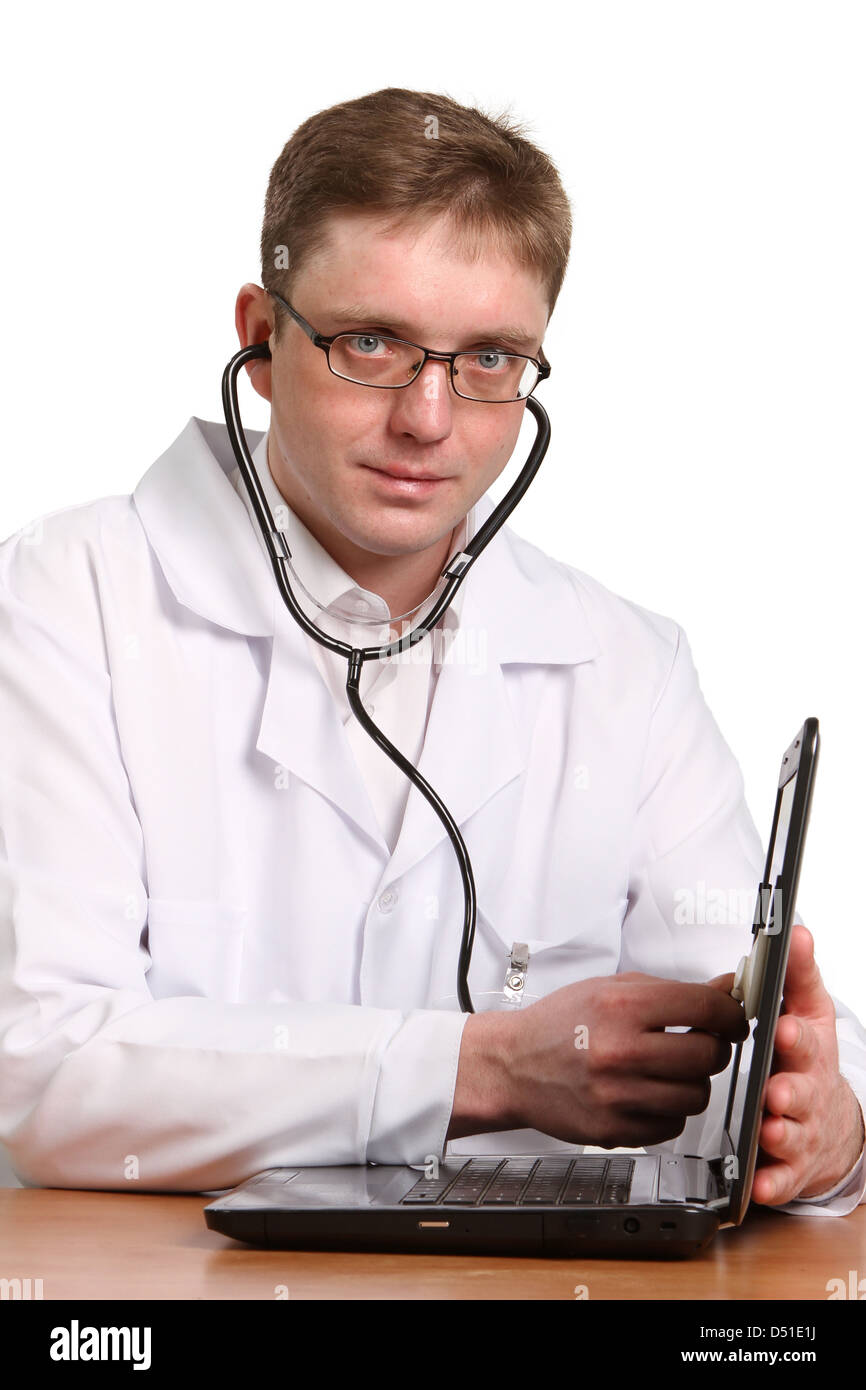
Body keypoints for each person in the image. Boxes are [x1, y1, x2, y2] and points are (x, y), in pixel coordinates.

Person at [0, 87, 863, 1216]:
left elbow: (738, 1071)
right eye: (371, 342)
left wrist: (821, 1129)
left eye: (491, 359)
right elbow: (45, 1070)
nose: (427, 418)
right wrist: (481, 1065)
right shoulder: (69, 598)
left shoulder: (625, 668)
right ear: (261, 341)